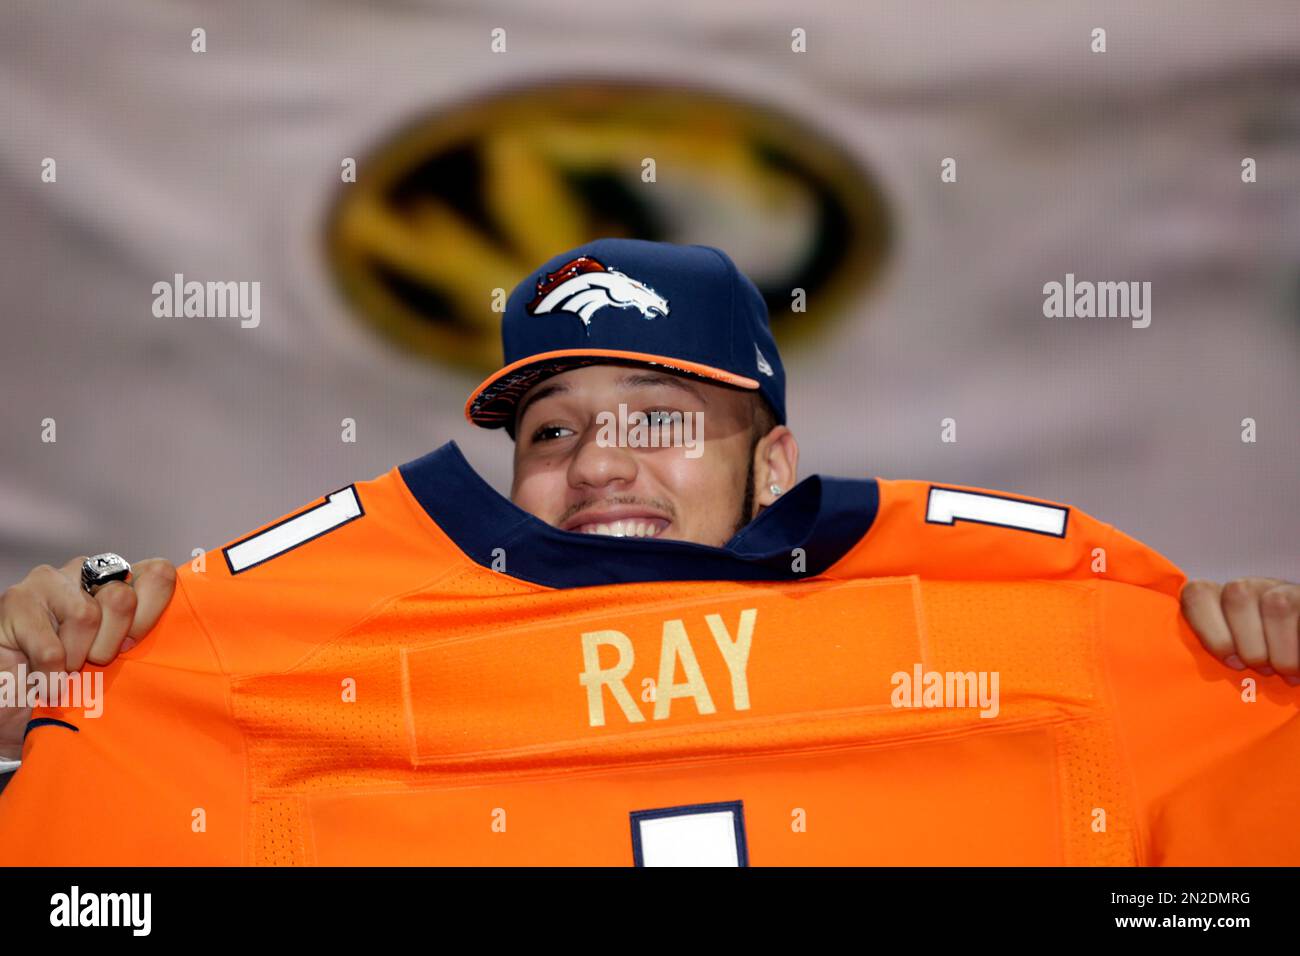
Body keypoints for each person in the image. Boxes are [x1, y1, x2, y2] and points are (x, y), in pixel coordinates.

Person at [0, 238, 1295, 864]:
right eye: (552, 428)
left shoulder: (1045, 627)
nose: (600, 462)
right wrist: (37, 694)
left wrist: (1257, 684)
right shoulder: (283, 655)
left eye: (659, 417)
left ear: (774, 464)